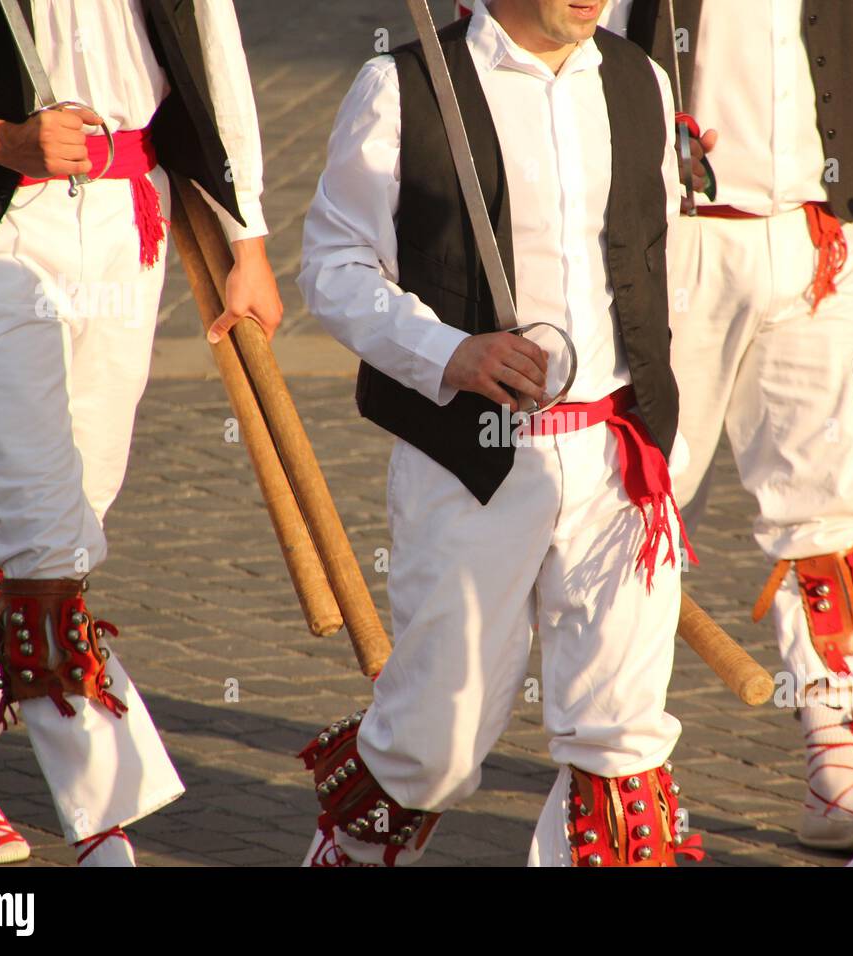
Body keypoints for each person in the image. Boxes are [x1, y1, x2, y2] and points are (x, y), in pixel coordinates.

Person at [296, 0, 699, 867]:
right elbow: (333, 266)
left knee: (619, 743)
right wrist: (451, 352)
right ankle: (355, 849)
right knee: (433, 747)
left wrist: (665, 421)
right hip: (470, 458)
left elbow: (659, 253)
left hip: (618, 458)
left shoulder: (640, 80)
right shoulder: (401, 86)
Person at [0, 0, 279, 866]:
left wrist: (248, 236)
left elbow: (214, 52)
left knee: (74, 506)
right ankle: (104, 819)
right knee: (42, 521)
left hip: (129, 212)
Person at [615, 0, 853, 850]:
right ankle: (617, 754)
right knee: (640, 502)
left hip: (817, 238)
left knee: (827, 508)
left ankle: (835, 757)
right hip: (676, 240)